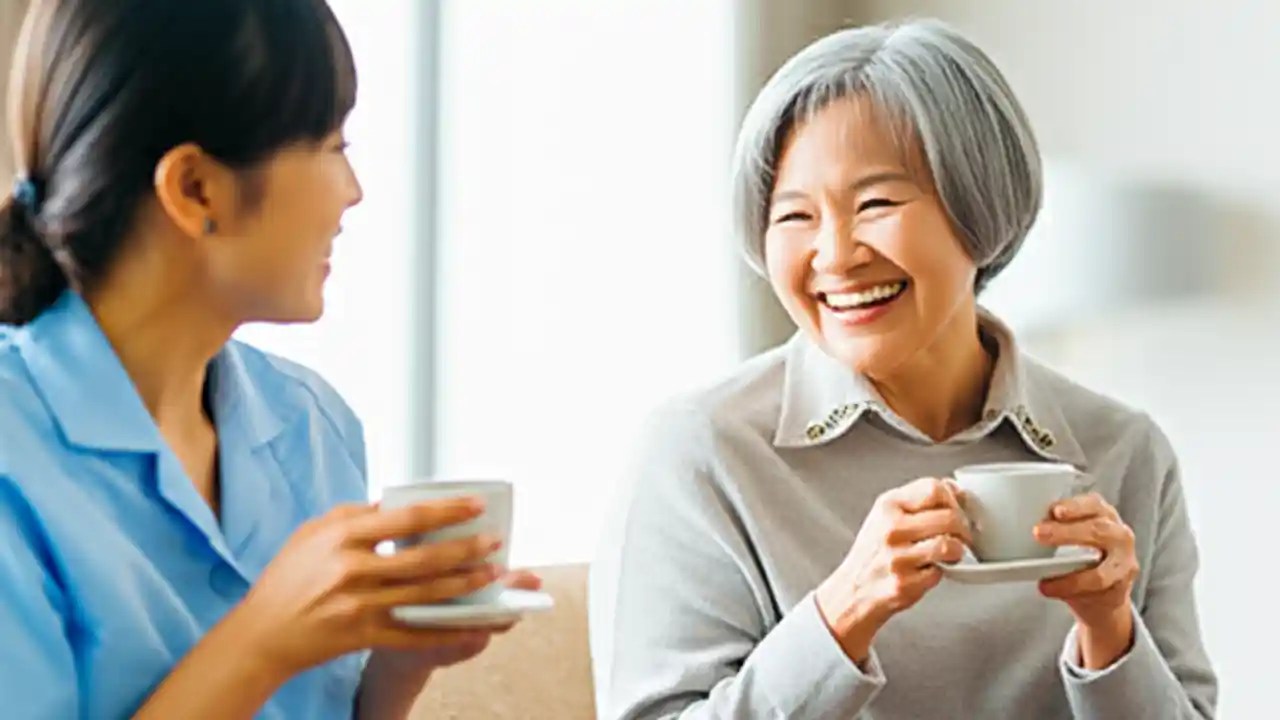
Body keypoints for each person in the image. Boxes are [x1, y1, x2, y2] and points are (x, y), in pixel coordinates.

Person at [589, 19, 1216, 719]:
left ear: (980, 207)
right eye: (794, 216)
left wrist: (1109, 632)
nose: (835, 255)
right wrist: (842, 614)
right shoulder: (703, 451)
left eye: (876, 204)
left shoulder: (1122, 451)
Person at [0, 1, 537, 717]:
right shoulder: (16, 452)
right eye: (332, 147)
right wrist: (266, 640)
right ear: (195, 189)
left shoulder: (311, 425)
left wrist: (399, 666)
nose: (353, 193)